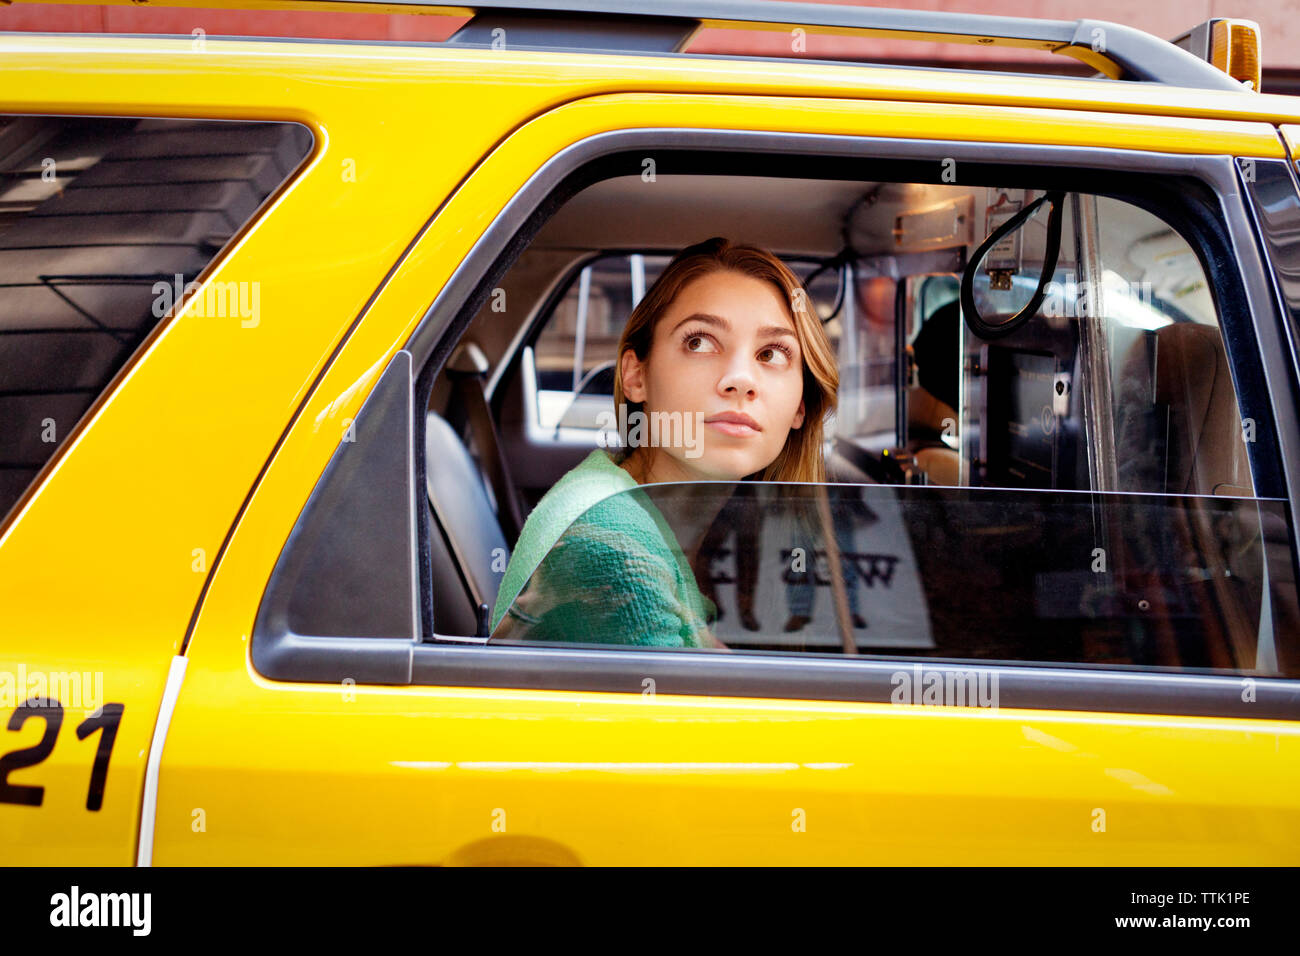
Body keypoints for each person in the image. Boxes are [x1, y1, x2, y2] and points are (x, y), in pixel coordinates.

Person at [490, 236, 839, 647]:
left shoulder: (630, 507)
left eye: (772, 354)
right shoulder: (609, 545)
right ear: (636, 376)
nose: (740, 379)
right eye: (699, 342)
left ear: (801, 405)